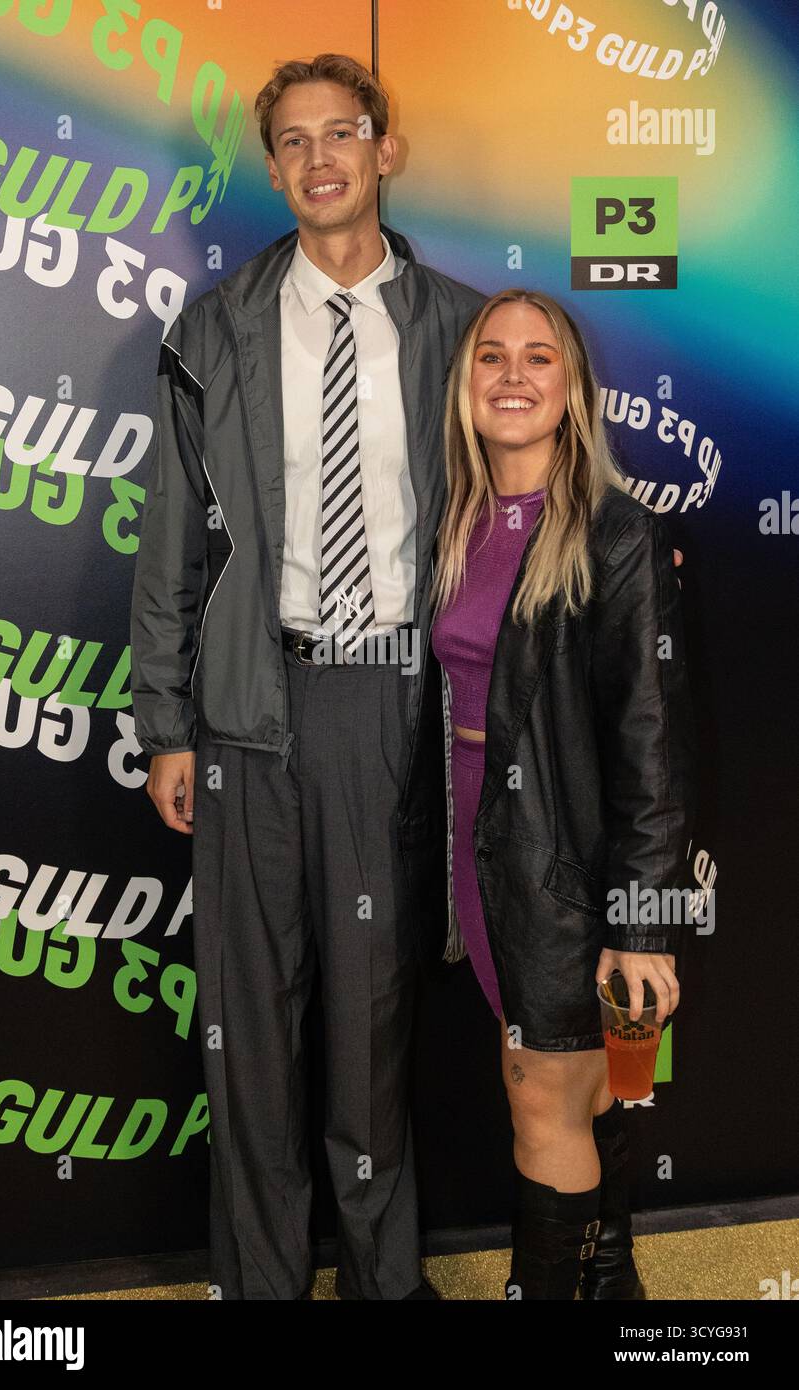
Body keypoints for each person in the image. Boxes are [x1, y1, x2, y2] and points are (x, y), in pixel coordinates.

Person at [129, 53, 486, 1299]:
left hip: (388, 706)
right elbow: (170, 538)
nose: (319, 158)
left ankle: (384, 1281)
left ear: (383, 151)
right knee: (253, 1036)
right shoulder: (215, 326)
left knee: (372, 1021)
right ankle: (263, 1283)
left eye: (343, 133)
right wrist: (166, 723)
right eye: (292, 140)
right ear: (272, 165)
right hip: (246, 714)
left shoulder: (458, 327)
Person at [398, 288, 697, 1300]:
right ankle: (609, 1279)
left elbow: (649, 744)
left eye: (539, 357)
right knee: (581, 1094)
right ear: (465, 383)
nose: (513, 376)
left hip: (561, 867)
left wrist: (641, 923)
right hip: (474, 850)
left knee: (542, 1101)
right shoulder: (453, 520)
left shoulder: (616, 533)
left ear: (571, 390)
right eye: (491, 356)